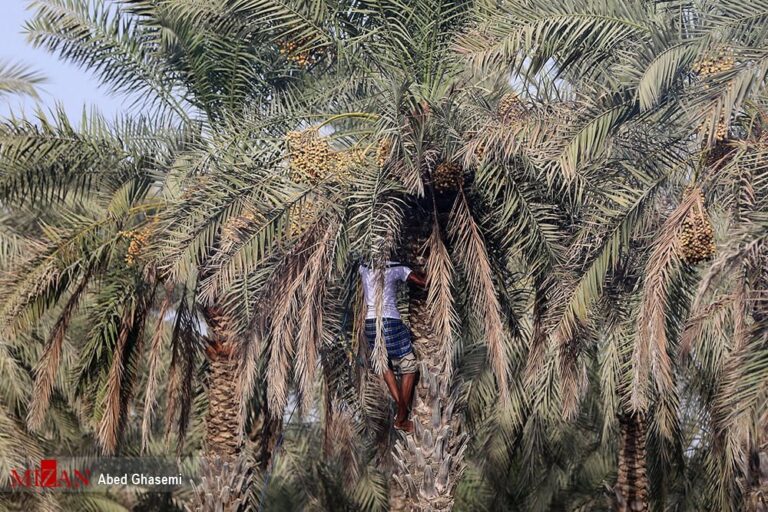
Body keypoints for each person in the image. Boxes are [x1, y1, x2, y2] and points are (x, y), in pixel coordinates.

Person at [359, 260, 427, 433]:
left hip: (370, 322)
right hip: (390, 321)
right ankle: (402, 415)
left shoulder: (364, 267)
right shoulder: (397, 268)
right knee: (409, 365)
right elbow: (420, 281)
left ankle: (401, 411)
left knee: (384, 363)